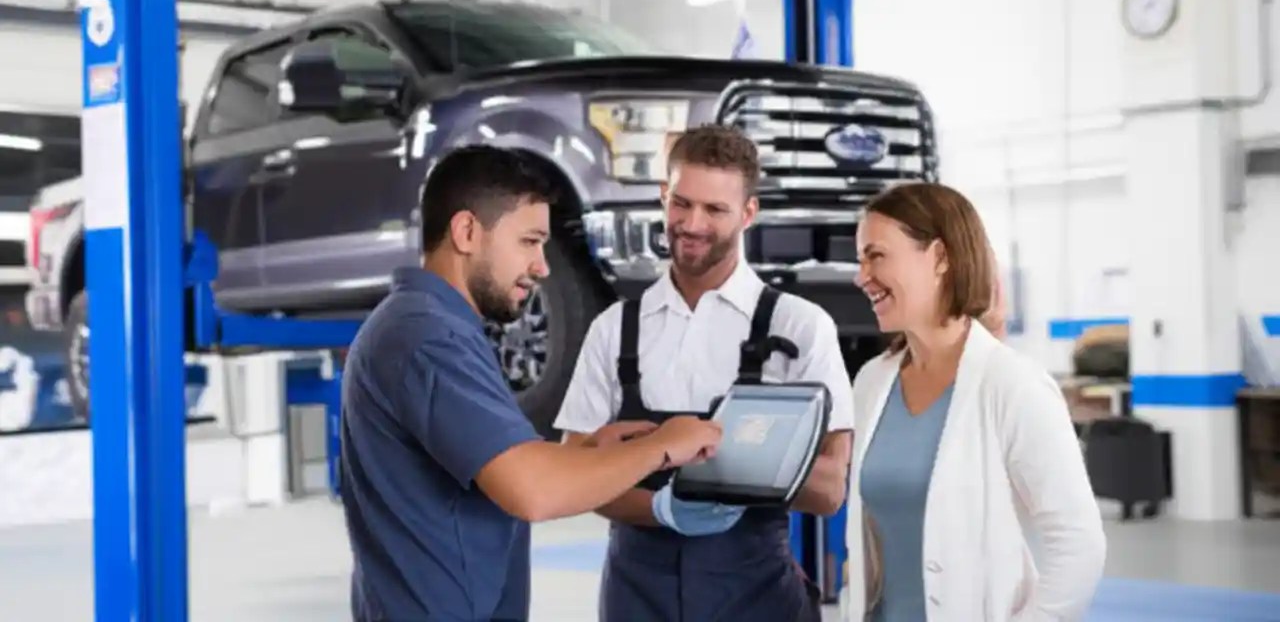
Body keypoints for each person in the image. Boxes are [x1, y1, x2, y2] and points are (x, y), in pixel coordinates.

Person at [338, 144, 725, 622]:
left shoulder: (429, 325)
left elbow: (492, 468)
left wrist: (585, 457)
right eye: (529, 241)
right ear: (466, 232)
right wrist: (665, 446)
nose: (542, 266)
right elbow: (532, 491)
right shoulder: (427, 339)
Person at [554, 125, 856, 622]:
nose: (692, 224)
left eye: (715, 209)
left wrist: (695, 468)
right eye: (681, 203)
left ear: (749, 213)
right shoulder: (614, 330)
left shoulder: (799, 326)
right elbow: (574, 474)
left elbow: (828, 488)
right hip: (636, 601)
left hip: (758, 599)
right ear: (663, 196)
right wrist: (659, 508)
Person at [840, 182, 1107, 622]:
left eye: (876, 256)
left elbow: (1079, 545)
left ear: (941, 257)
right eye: (860, 259)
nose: (861, 276)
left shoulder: (1012, 385)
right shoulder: (872, 382)